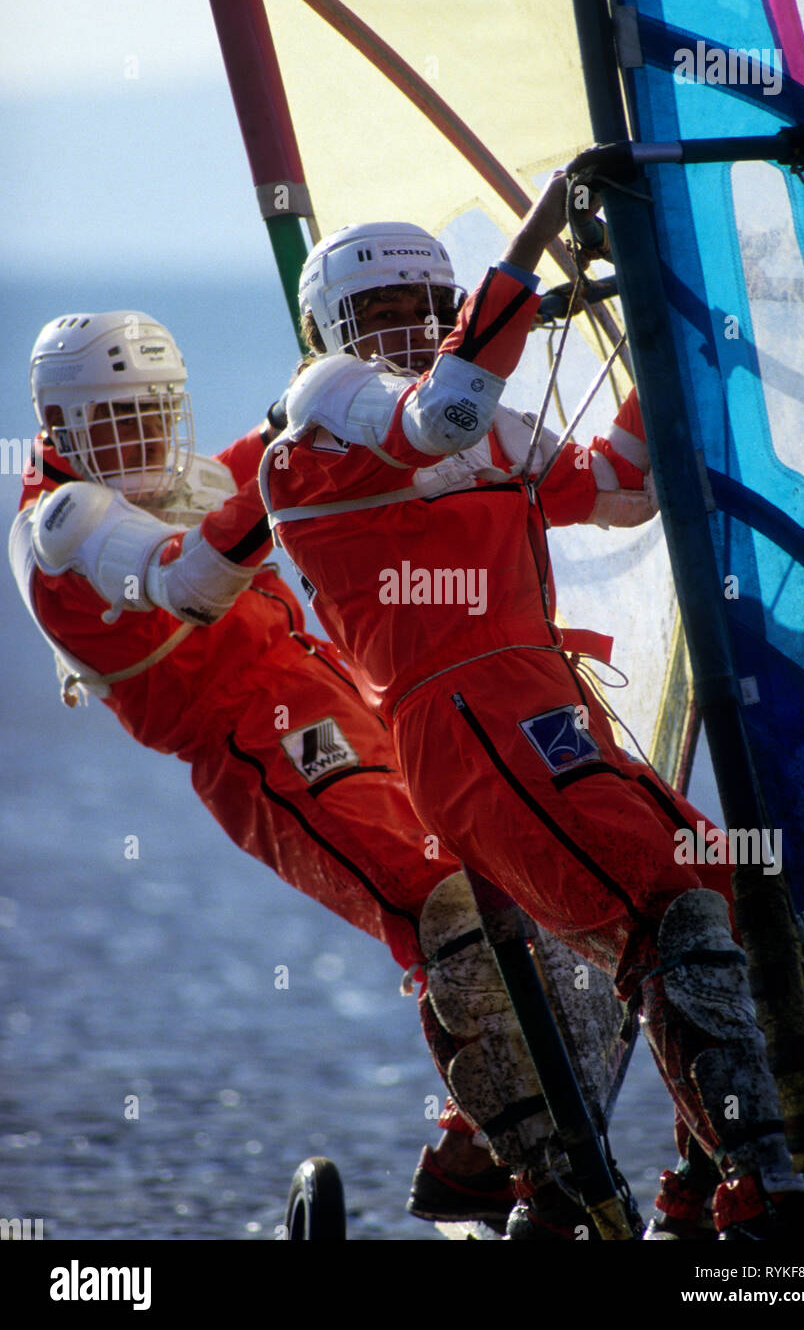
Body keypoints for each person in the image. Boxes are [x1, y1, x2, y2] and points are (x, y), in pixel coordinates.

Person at [259, 172, 804, 1240]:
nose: (408, 328)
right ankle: (763, 1189)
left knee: (733, 887)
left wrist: (662, 315)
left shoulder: (479, 432)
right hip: (462, 725)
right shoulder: (320, 423)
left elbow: (622, 483)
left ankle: (683, 1193)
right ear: (329, 331)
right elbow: (441, 412)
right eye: (379, 314)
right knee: (670, 898)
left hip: (545, 707)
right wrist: (543, 223)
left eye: (424, 306)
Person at [10, 308, 632, 1238]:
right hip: (257, 747)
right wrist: (296, 439)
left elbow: (273, 473)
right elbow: (184, 570)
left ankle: (474, 1152)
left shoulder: (191, 477)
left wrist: (361, 400)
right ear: (57, 429)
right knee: (444, 906)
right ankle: (552, 1181)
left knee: (552, 878)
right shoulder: (60, 524)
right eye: (110, 421)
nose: (136, 439)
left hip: (351, 693)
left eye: (150, 415)